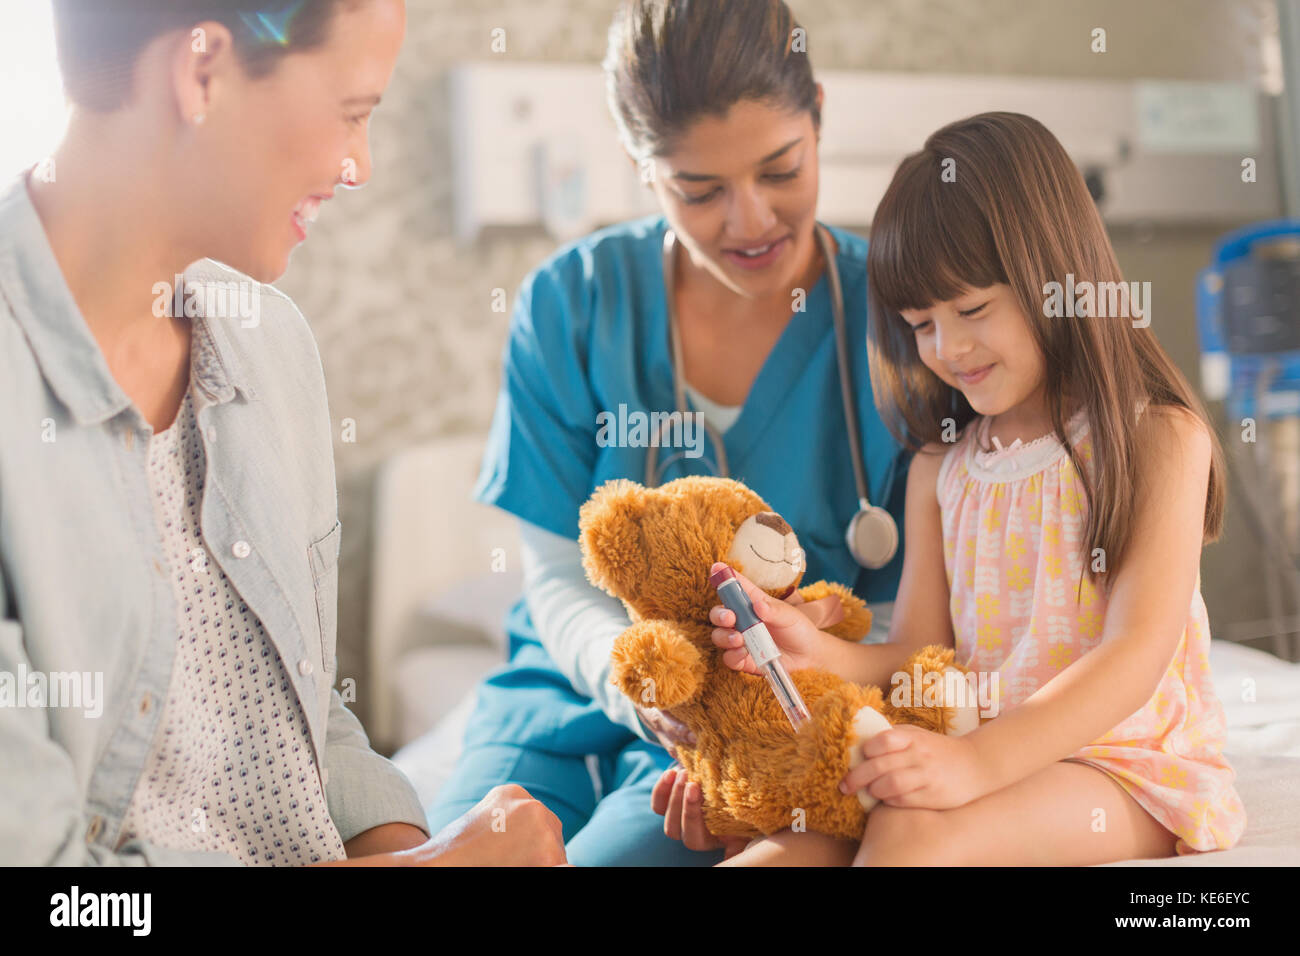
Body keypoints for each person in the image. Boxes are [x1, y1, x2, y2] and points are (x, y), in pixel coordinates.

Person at [0, 0, 564, 866]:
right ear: (202, 73)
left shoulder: (270, 346)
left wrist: (415, 846)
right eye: (352, 113)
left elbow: (302, 714)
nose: (360, 165)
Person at [662, 112, 1247, 865]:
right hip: (971, 748)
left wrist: (976, 765)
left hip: (1122, 767)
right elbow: (920, 649)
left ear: (1057, 279)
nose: (948, 349)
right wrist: (818, 653)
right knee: (791, 845)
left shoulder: (1158, 439)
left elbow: (1131, 657)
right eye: (920, 325)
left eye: (972, 311)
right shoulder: (944, 467)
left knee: (913, 830)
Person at [423, 0, 911, 866]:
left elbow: (916, 622)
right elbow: (549, 576)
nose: (751, 220)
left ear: (820, 117)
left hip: (752, 727)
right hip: (567, 686)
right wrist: (629, 676)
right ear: (643, 169)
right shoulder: (571, 304)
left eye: (780, 169)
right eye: (700, 189)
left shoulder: (907, 319)